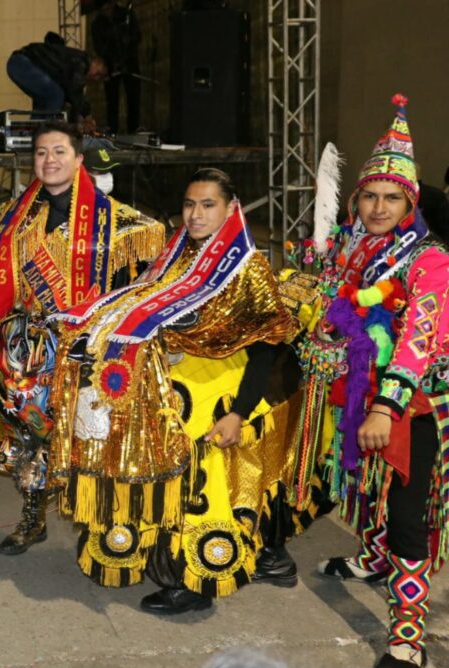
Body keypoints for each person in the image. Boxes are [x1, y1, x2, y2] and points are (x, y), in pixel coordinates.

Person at [48, 168, 298, 614]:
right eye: (189, 204)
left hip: (216, 387)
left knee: (191, 480)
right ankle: (144, 551)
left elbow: (265, 350)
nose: (196, 214)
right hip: (171, 383)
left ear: (230, 208)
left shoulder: (250, 266)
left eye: (207, 205)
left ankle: (192, 580)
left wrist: (238, 412)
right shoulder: (178, 254)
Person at [288, 95, 449, 668]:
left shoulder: (429, 259)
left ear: (410, 201)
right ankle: (377, 555)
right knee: (370, 483)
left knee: (409, 510)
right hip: (361, 389)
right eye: (370, 195)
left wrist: (386, 405)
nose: (378, 206)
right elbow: (333, 297)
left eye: (391, 197)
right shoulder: (356, 245)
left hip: (418, 401)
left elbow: (418, 340)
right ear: (356, 199)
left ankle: (407, 637)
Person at [0, 120, 164, 556]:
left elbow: (138, 274)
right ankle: (33, 515)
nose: (49, 160)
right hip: (27, 351)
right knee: (29, 434)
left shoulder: (114, 220)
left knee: (88, 433)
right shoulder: (8, 220)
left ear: (79, 160)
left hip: (83, 347)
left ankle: (94, 518)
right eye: (40, 152)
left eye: (59, 152)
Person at [6, 32, 107, 130]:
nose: (95, 78)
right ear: (95, 63)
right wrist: (87, 115)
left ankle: (35, 132)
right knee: (56, 95)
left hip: (19, 62)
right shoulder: (80, 63)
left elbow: (72, 94)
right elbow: (75, 92)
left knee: (45, 100)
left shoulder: (73, 62)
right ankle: (45, 132)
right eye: (97, 74)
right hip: (21, 62)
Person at [91, 0, 142, 133]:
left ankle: (133, 129)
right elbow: (98, 46)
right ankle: (112, 130)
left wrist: (128, 44)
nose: (105, 12)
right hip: (110, 64)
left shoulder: (127, 15)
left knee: (133, 97)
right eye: (103, 10)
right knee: (112, 99)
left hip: (130, 61)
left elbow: (137, 36)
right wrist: (110, 60)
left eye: (107, 8)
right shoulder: (98, 23)